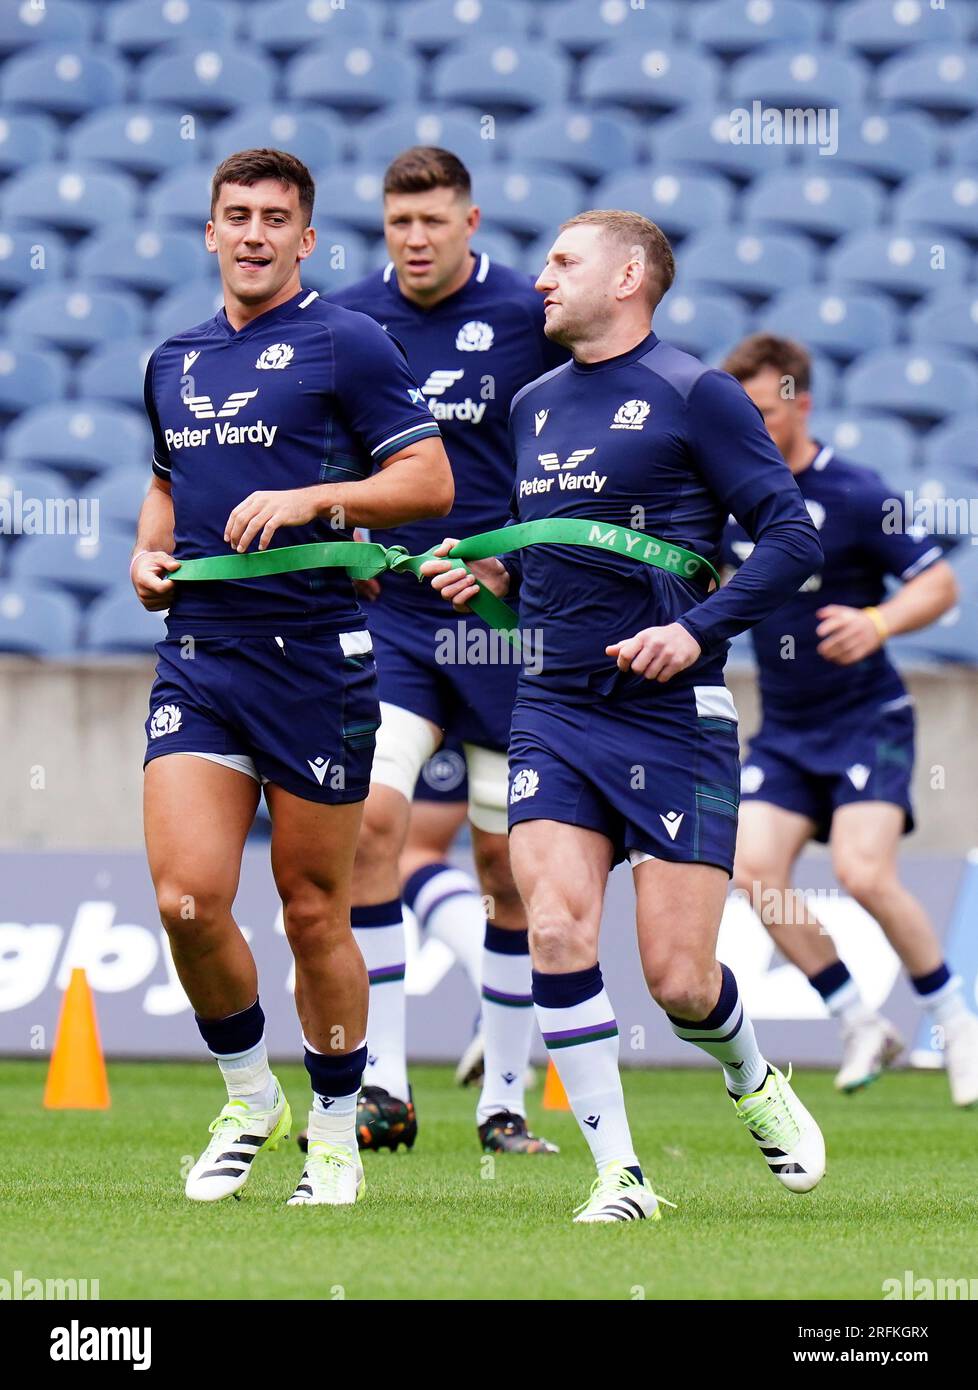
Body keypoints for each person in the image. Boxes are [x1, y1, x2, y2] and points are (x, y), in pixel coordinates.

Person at [426, 209, 827, 1224]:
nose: (541, 281)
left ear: (632, 274)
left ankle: (751, 1078)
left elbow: (790, 541)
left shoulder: (699, 394)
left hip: (671, 714)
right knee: (556, 927)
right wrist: (498, 567)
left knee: (680, 981)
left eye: (564, 262)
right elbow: (566, 543)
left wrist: (698, 631)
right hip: (553, 705)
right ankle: (621, 1177)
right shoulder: (532, 404)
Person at [132, 148, 451, 1207]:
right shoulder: (170, 359)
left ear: (307, 239)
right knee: (185, 900)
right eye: (238, 215)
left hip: (315, 660)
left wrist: (319, 502)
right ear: (211, 233)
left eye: (277, 217)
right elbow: (167, 482)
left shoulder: (346, 340)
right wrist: (146, 555)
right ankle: (245, 1092)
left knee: (313, 910)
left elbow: (429, 480)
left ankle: (333, 1118)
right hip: (202, 655)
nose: (256, 232)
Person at [324, 147, 565, 1154]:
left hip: (505, 623)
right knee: (372, 819)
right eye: (398, 224)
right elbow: (323, 452)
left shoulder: (530, 317)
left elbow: (573, 451)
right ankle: (384, 1082)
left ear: (471, 222)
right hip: (401, 613)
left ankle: (502, 1100)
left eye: (433, 223)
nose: (414, 241)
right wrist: (339, 537)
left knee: (508, 866)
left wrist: (519, 563)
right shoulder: (345, 320)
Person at [722, 333, 978, 1107]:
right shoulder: (736, 496)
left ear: (797, 401)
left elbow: (938, 587)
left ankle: (955, 1022)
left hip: (868, 717)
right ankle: (856, 1016)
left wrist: (876, 622)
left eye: (763, 411)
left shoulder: (858, 492)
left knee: (864, 873)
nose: (751, 428)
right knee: (754, 874)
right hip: (787, 727)